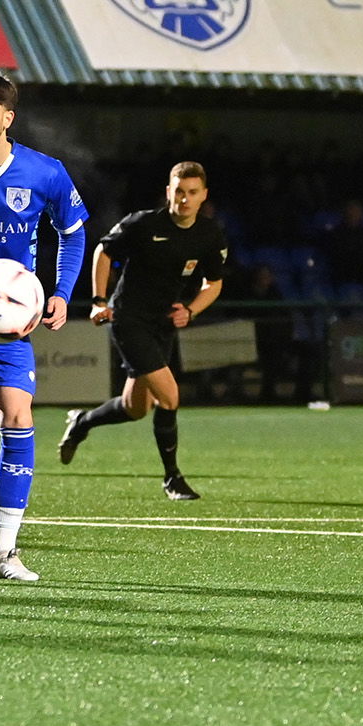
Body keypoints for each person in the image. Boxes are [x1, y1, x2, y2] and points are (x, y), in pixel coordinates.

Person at [0, 72, 87, 579]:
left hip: (3, 316)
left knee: (19, 417)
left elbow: (73, 233)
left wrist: (60, 292)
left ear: (7, 118)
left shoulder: (44, 172)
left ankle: (3, 552)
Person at [58, 162, 225, 499]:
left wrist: (191, 310)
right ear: (168, 192)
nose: (184, 199)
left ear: (203, 195)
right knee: (170, 395)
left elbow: (214, 283)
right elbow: (103, 251)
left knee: (136, 408)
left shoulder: (209, 234)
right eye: (179, 191)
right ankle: (172, 479)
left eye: (192, 193)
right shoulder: (144, 223)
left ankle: (82, 422)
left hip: (162, 324)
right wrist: (98, 300)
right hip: (129, 319)